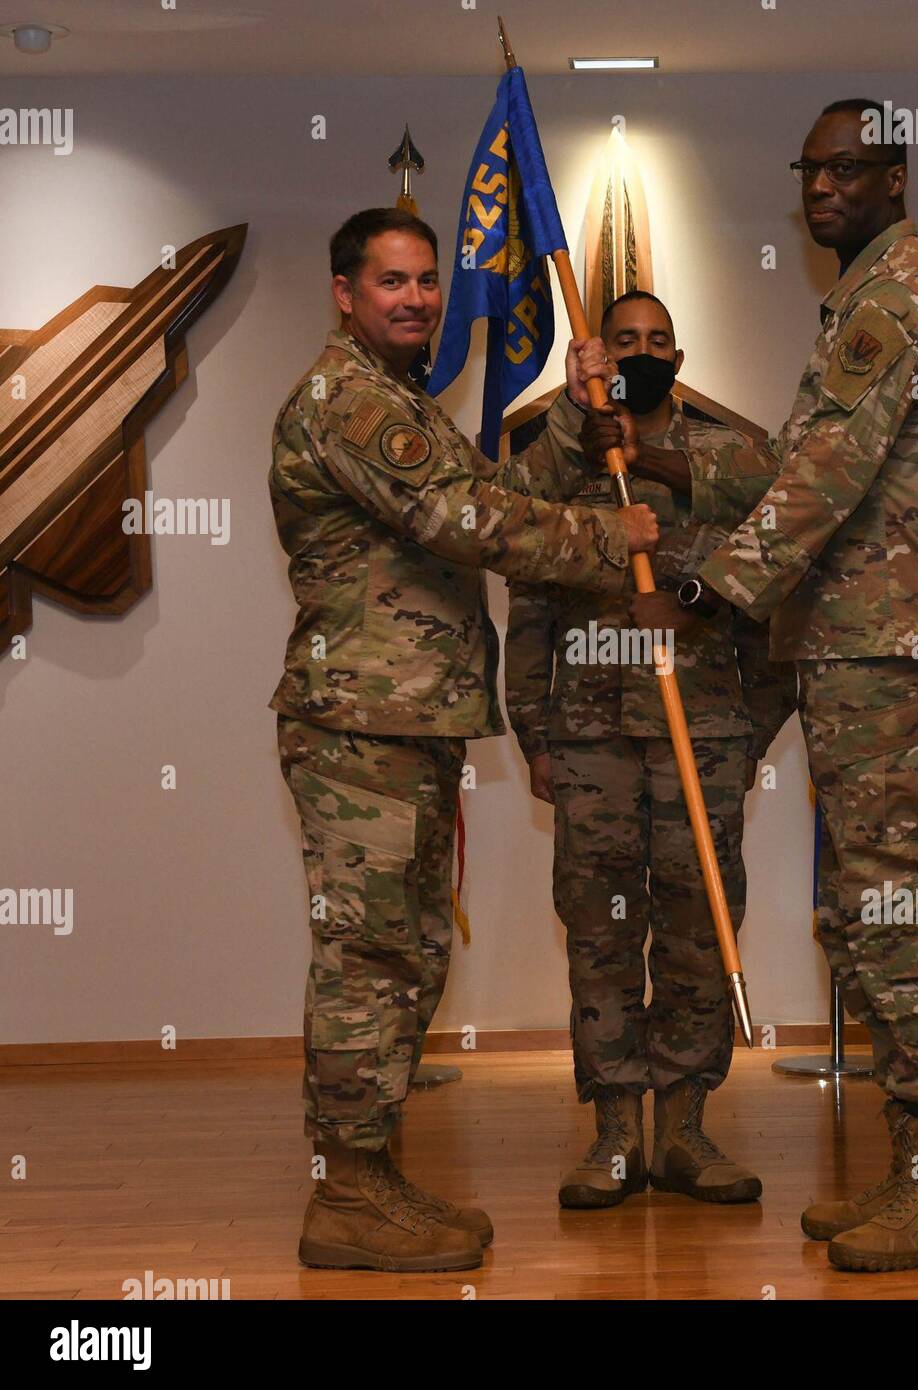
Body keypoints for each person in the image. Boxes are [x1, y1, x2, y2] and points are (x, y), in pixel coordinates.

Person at [618, 99, 918, 1272]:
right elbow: (805, 468)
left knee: (901, 909)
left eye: (848, 171)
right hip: (855, 642)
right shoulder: (866, 297)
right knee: (865, 909)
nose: (823, 189)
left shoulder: (897, 297)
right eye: (811, 172)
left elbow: (823, 476)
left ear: (896, 177)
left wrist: (706, 590)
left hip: (892, 645)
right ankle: (909, 1170)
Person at [269, 207, 659, 1272]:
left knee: (406, 953)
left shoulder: (405, 404)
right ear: (344, 293)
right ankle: (345, 1191)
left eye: (428, 280)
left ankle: (369, 1175)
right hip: (362, 725)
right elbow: (466, 527)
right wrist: (606, 536)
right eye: (391, 281)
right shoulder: (349, 403)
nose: (417, 298)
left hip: (408, 722)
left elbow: (490, 495)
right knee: (368, 957)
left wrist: (581, 421)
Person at [503, 290, 795, 1208]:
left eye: (656, 338)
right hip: (590, 734)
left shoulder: (730, 461)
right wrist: (533, 731)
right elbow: (529, 600)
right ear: (599, 357)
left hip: (699, 729)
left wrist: (754, 728)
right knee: (598, 927)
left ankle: (685, 1130)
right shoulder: (566, 462)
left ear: (680, 350)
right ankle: (614, 1134)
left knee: (698, 928)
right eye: (623, 339)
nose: (641, 350)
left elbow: (772, 591)